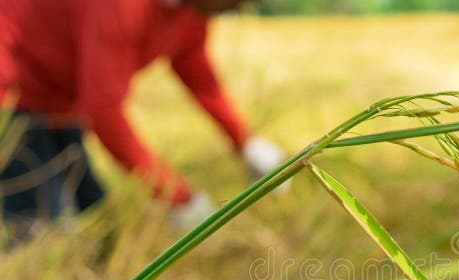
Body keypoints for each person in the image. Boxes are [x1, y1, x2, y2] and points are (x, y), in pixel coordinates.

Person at [0, 0, 285, 243]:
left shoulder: (192, 11)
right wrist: (178, 197)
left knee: (98, 223)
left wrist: (246, 141)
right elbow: (104, 111)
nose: (236, 7)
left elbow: (197, 72)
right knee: (41, 230)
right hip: (13, 96)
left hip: (57, 105)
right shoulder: (124, 7)